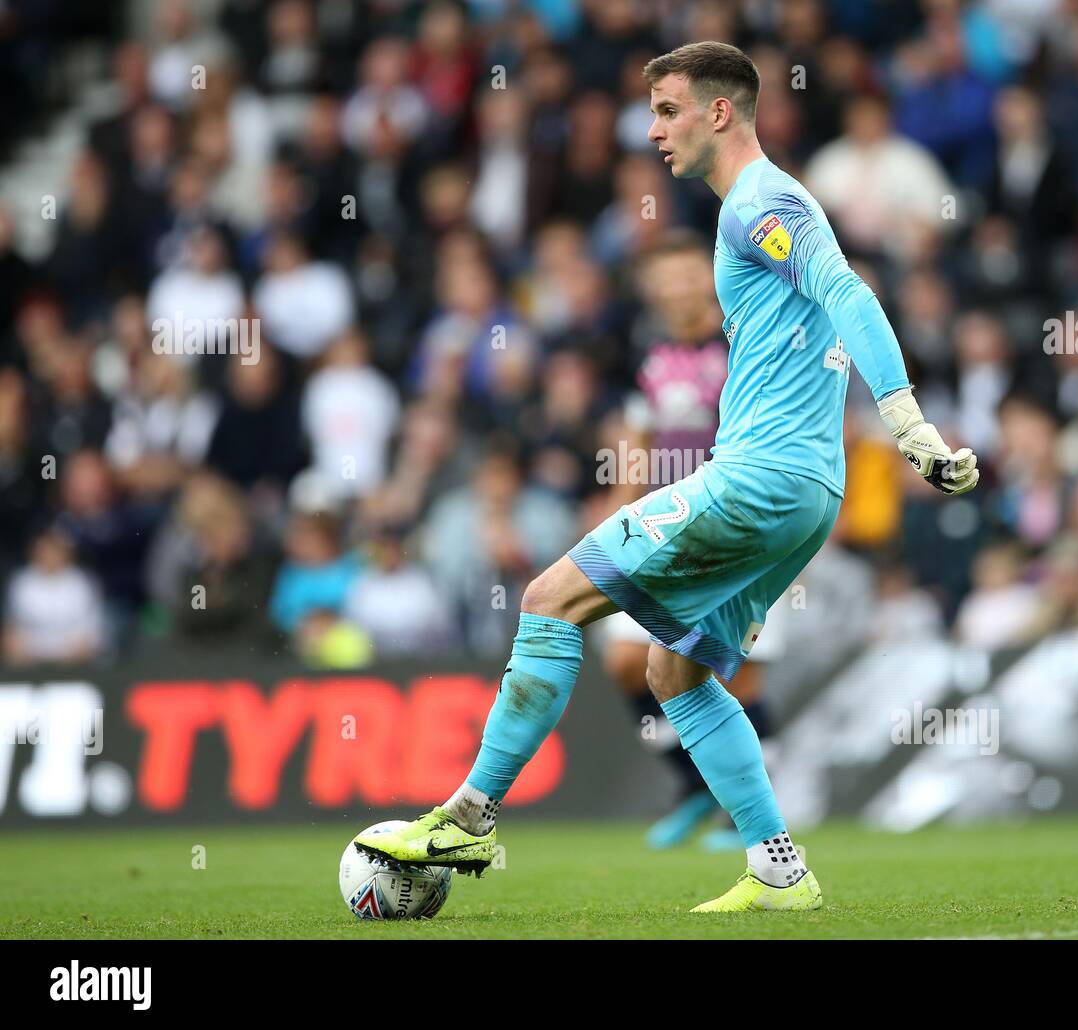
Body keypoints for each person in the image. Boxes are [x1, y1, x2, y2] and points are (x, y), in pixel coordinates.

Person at [357, 41, 978, 913]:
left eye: (667, 111)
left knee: (547, 599)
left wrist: (906, 418)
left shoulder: (758, 203)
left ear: (719, 112)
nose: (652, 132)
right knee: (674, 674)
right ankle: (777, 870)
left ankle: (469, 816)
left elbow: (850, 293)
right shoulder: (766, 206)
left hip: (759, 480)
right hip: (808, 495)